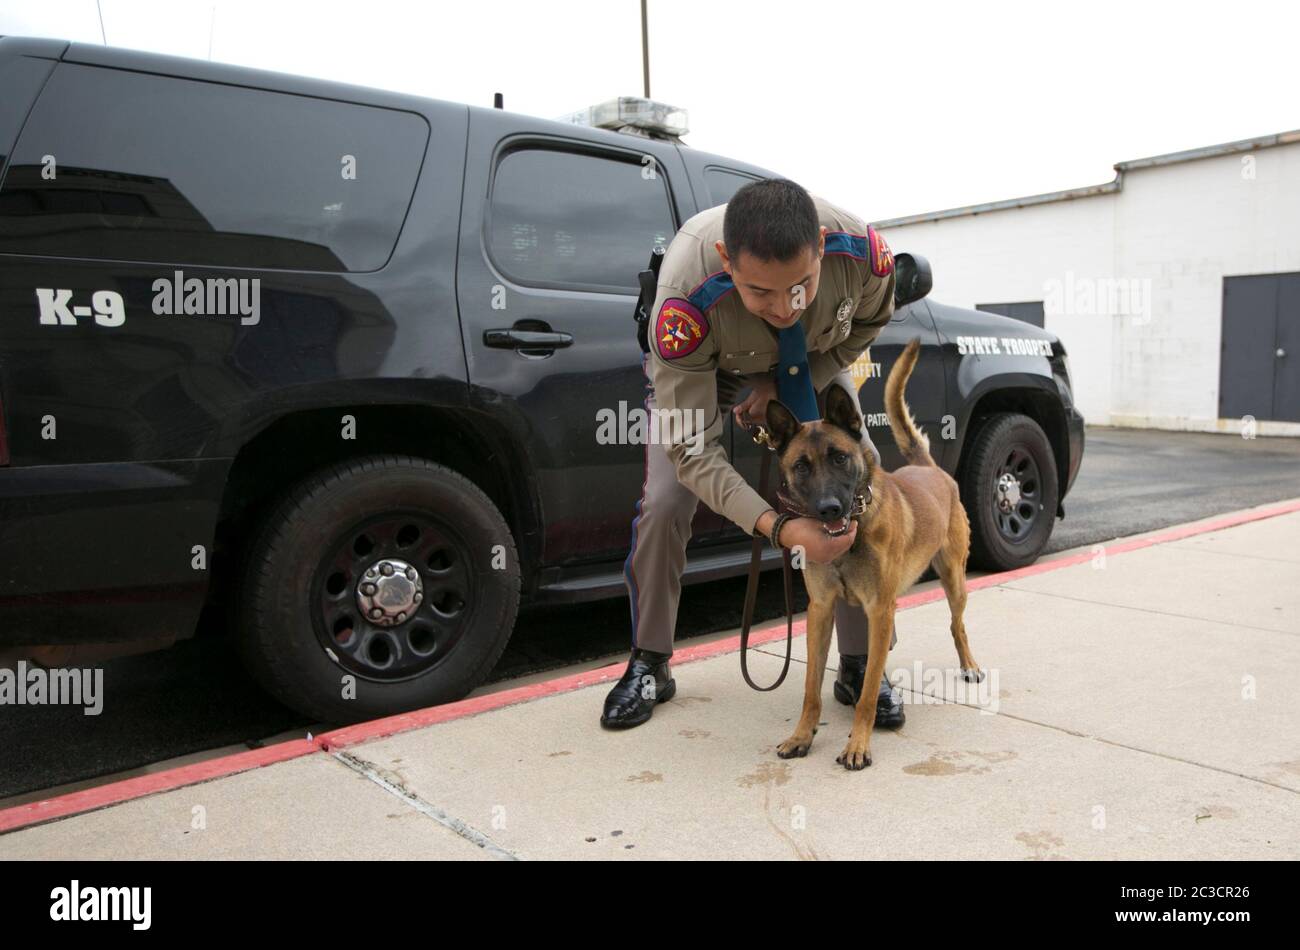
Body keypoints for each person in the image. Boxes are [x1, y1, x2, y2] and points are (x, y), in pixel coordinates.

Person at [602, 177, 905, 729]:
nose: (786, 307)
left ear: (818, 245)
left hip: (813, 358)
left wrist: (794, 379)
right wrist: (780, 529)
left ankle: (860, 665)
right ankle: (650, 661)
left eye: (801, 286)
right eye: (761, 292)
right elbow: (693, 452)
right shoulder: (685, 299)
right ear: (726, 260)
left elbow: (870, 319)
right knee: (667, 501)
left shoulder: (863, 253)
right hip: (708, 367)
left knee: (856, 480)